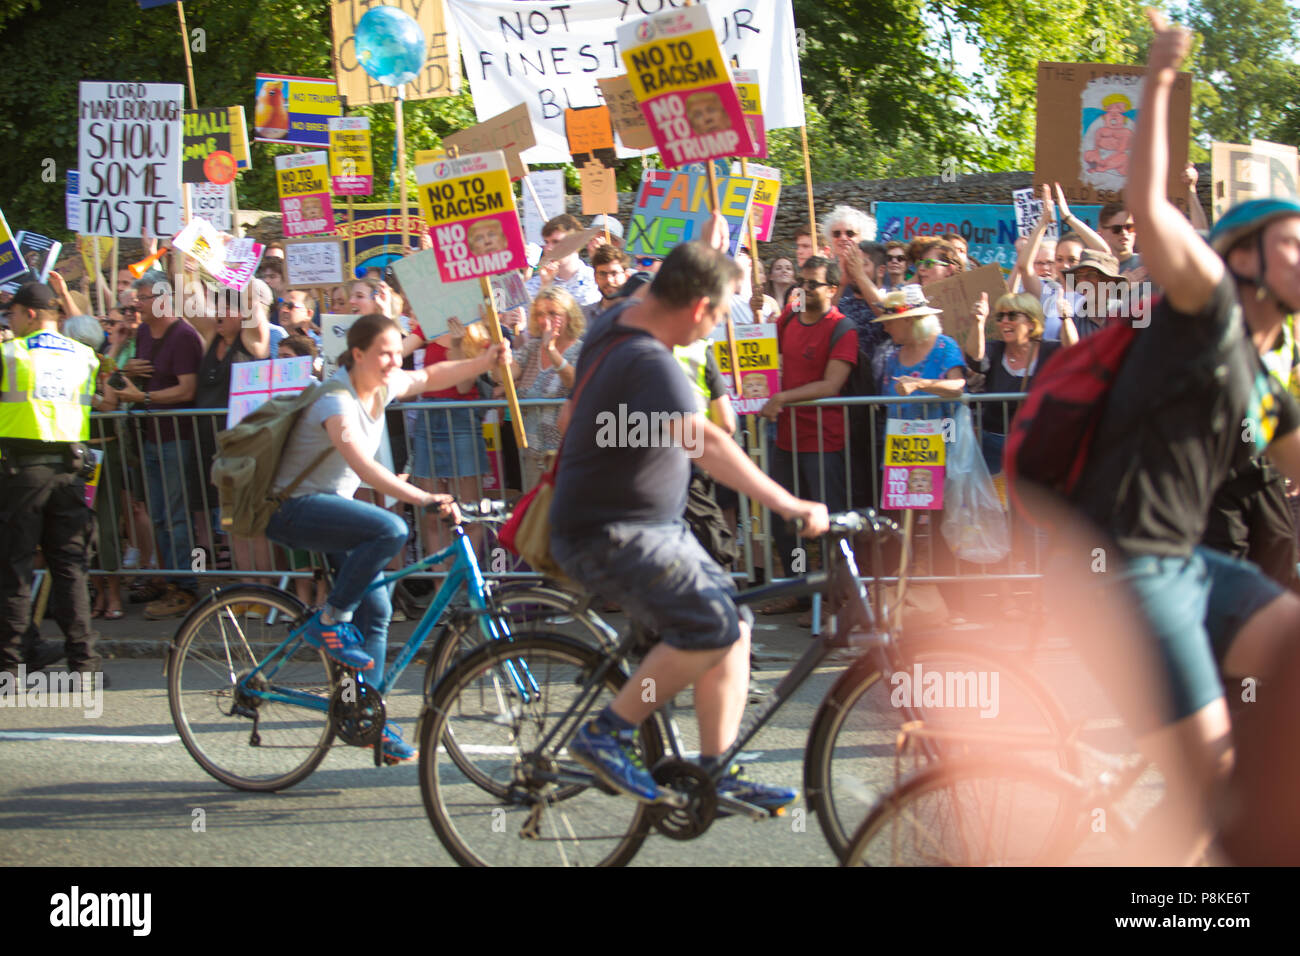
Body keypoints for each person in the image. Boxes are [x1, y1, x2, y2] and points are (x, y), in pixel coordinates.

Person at [1049, 9, 1300, 864]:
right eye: (1294, 245)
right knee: (1213, 796)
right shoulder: (1206, 301)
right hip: (1122, 563)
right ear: (1241, 257)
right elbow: (1148, 204)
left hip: (1189, 564)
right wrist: (1159, 77)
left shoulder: (1263, 372)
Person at [549, 239, 829, 809]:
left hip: (651, 525)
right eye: (720, 315)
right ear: (699, 307)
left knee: (734, 627)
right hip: (614, 532)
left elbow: (675, 272)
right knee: (711, 629)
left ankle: (715, 768)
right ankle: (608, 732)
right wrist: (789, 504)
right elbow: (705, 441)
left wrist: (709, 245)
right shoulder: (651, 361)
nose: (715, 330)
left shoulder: (617, 320)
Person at [264, 312, 509, 762]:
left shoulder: (383, 384)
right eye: (384, 352)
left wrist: (485, 361)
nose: (395, 360)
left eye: (399, 350)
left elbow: (432, 374)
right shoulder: (334, 400)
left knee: (377, 608)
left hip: (332, 512)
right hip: (293, 510)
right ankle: (331, 619)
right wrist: (424, 496)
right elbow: (364, 468)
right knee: (392, 528)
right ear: (357, 354)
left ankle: (364, 719)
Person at [0, 282, 104, 681]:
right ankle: (85, 665)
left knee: (16, 567)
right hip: (70, 471)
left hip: (21, 473)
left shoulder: (11, 353)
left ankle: (11, 665)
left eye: (12, 313)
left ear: (29, 314)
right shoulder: (85, 356)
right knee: (71, 567)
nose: (9, 320)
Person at [104, 272, 204, 620]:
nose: (136, 306)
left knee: (178, 518)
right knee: (159, 515)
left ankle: (188, 586)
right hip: (149, 436)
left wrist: (143, 395)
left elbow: (187, 389)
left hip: (177, 438)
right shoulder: (143, 332)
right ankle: (169, 578)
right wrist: (127, 370)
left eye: (142, 299)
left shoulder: (184, 335)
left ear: (162, 299)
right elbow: (122, 384)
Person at [759, 256, 857, 602]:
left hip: (824, 442)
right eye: (803, 281)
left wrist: (782, 397)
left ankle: (837, 596)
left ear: (832, 289)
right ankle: (800, 588)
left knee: (830, 524)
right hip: (787, 438)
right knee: (786, 523)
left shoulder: (843, 328)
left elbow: (831, 385)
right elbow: (762, 348)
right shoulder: (789, 318)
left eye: (813, 283)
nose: (805, 288)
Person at [508, 289, 584, 491]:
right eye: (540, 314)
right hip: (532, 454)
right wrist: (496, 355)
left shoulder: (582, 350)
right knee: (536, 516)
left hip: (567, 454)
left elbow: (576, 384)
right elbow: (503, 376)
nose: (545, 320)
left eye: (553, 313)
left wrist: (552, 351)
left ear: (569, 315)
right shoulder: (531, 349)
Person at [525, 214, 600, 306]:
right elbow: (527, 318)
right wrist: (545, 287)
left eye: (556, 242)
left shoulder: (595, 279)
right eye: (546, 242)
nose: (548, 248)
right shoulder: (534, 284)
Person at [583, 243, 630, 324]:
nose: (609, 280)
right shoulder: (583, 316)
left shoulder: (636, 315)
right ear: (595, 277)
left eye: (614, 273)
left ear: (626, 276)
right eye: (602, 274)